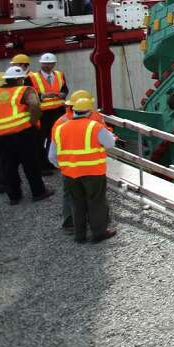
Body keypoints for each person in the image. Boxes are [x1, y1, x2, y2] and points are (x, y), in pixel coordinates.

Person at [0, 65, 52, 205]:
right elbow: (35, 106)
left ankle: (14, 197)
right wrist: (33, 122)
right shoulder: (25, 90)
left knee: (9, 166)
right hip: (23, 133)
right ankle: (38, 192)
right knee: (30, 164)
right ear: (20, 79)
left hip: (1, 136)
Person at [50, 95, 116, 243]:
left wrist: (65, 167)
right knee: (96, 202)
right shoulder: (95, 126)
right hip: (93, 173)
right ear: (88, 111)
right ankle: (98, 233)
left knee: (76, 203)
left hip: (70, 174)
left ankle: (79, 235)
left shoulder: (60, 128)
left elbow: (52, 156)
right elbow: (110, 143)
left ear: (74, 111)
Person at [57, 90, 104, 231]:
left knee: (74, 199)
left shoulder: (60, 123)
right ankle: (97, 228)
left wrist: (64, 166)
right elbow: (106, 139)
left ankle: (75, 228)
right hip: (93, 169)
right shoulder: (94, 119)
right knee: (95, 198)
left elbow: (52, 152)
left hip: (70, 170)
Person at [30, 53, 69, 174]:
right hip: (43, 113)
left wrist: (63, 94)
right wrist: (42, 96)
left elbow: (64, 89)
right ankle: (41, 166)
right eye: (45, 63)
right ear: (41, 63)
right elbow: (29, 94)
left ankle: (50, 162)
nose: (47, 66)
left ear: (54, 64)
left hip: (58, 111)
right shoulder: (32, 77)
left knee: (54, 138)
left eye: (50, 63)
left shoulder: (59, 75)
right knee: (40, 139)